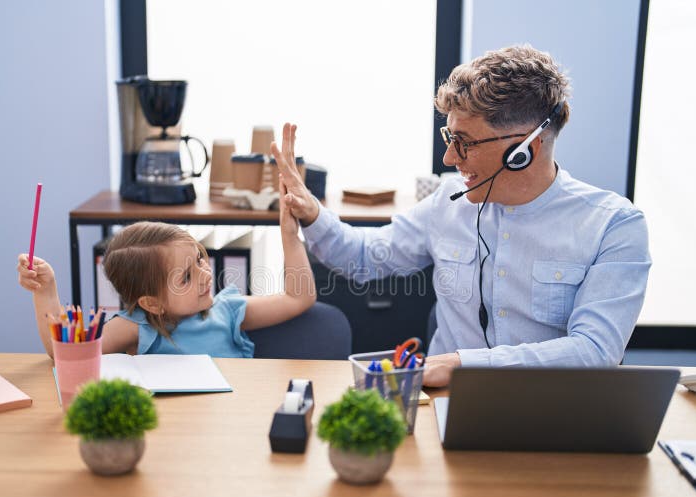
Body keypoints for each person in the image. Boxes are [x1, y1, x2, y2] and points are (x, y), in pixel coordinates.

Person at [271, 44, 651, 387]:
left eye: (464, 143)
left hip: (552, 411)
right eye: (449, 138)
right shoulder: (446, 202)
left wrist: (461, 364)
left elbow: (594, 351)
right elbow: (366, 258)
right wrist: (312, 212)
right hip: (444, 404)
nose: (449, 159)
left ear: (524, 149)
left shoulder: (614, 226)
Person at [17, 183, 316, 359]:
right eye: (186, 276)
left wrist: (290, 236)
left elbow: (297, 299)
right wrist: (46, 291)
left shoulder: (228, 309)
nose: (205, 273)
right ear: (152, 303)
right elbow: (65, 354)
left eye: (199, 259)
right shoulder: (137, 326)